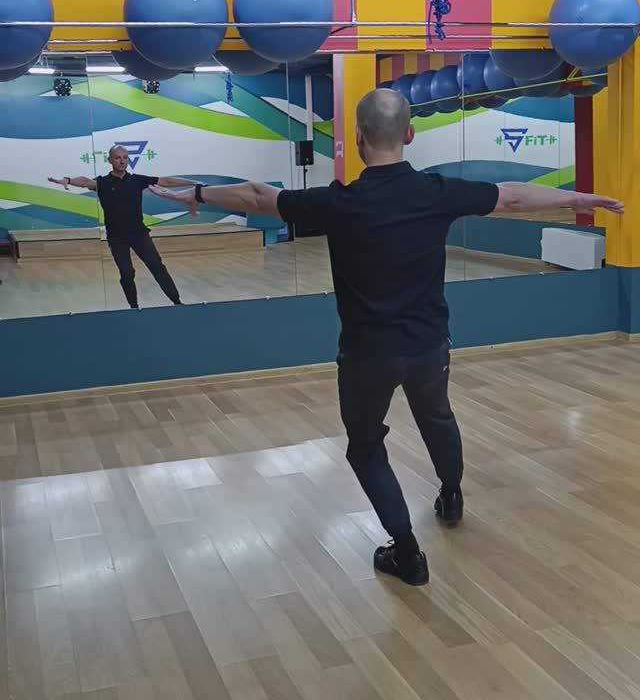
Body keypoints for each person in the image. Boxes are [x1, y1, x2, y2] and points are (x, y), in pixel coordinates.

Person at [150, 89, 624, 586]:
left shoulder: (338, 202)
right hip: (428, 347)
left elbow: (255, 196)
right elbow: (513, 195)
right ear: (410, 134)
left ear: (357, 138)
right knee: (437, 416)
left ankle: (408, 552)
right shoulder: (436, 192)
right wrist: (578, 199)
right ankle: (451, 495)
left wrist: (197, 193)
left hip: (366, 357)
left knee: (365, 446)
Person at [48, 144, 198, 310]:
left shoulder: (137, 180)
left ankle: (177, 302)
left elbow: (167, 181)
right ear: (110, 160)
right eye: (118, 158)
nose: (122, 161)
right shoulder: (102, 182)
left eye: (125, 158)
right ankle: (133, 307)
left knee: (157, 267)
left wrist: (193, 183)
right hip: (117, 238)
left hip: (139, 235)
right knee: (127, 273)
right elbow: (84, 182)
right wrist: (68, 180)